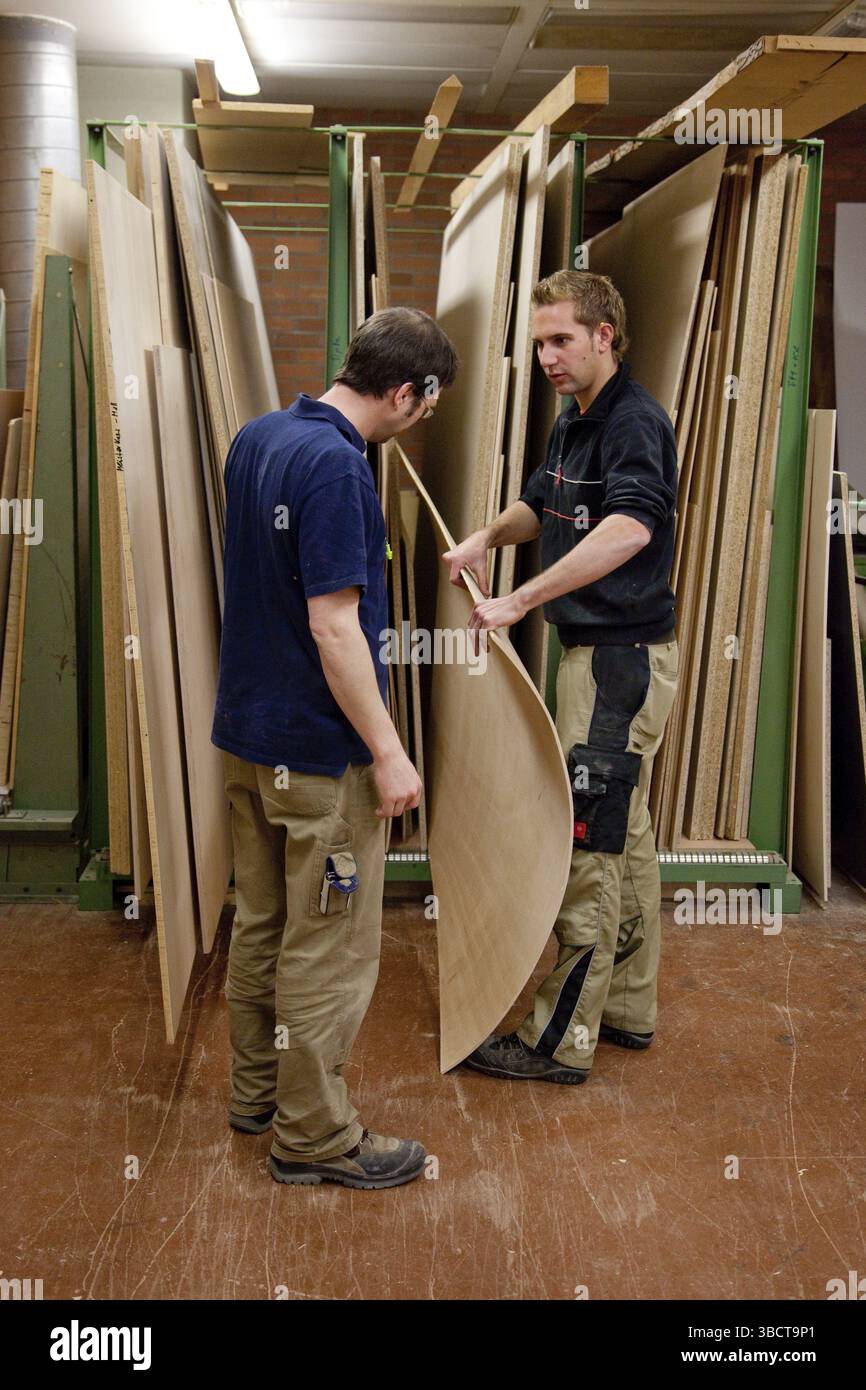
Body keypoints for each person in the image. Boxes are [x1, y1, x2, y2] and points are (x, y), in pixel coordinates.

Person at [212, 306, 457, 1185]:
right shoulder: (341, 472)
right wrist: (389, 751)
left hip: (247, 737)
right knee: (328, 947)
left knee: (265, 924)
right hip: (319, 757)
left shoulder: (260, 436)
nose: (421, 421)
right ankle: (313, 1137)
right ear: (405, 391)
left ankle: (256, 1096)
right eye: (424, 406)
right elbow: (335, 627)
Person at [444, 270, 679, 1085]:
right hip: (595, 656)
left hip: (621, 663)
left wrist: (522, 599)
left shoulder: (636, 424)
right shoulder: (571, 421)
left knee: (587, 843)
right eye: (539, 341)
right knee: (629, 837)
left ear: (604, 336)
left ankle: (559, 1041)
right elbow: (538, 507)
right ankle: (625, 1008)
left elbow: (628, 529)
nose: (545, 355)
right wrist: (484, 539)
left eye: (560, 340)